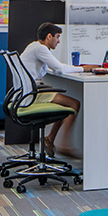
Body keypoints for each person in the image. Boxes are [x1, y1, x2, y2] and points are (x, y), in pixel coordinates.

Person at [19, 22, 82, 156]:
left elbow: (54, 67)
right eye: (57, 37)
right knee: (74, 104)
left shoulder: (33, 46)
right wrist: (83, 68)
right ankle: (65, 144)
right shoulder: (40, 48)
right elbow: (59, 68)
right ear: (49, 36)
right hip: (33, 94)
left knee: (63, 104)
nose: (58, 41)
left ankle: (50, 138)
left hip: (27, 93)